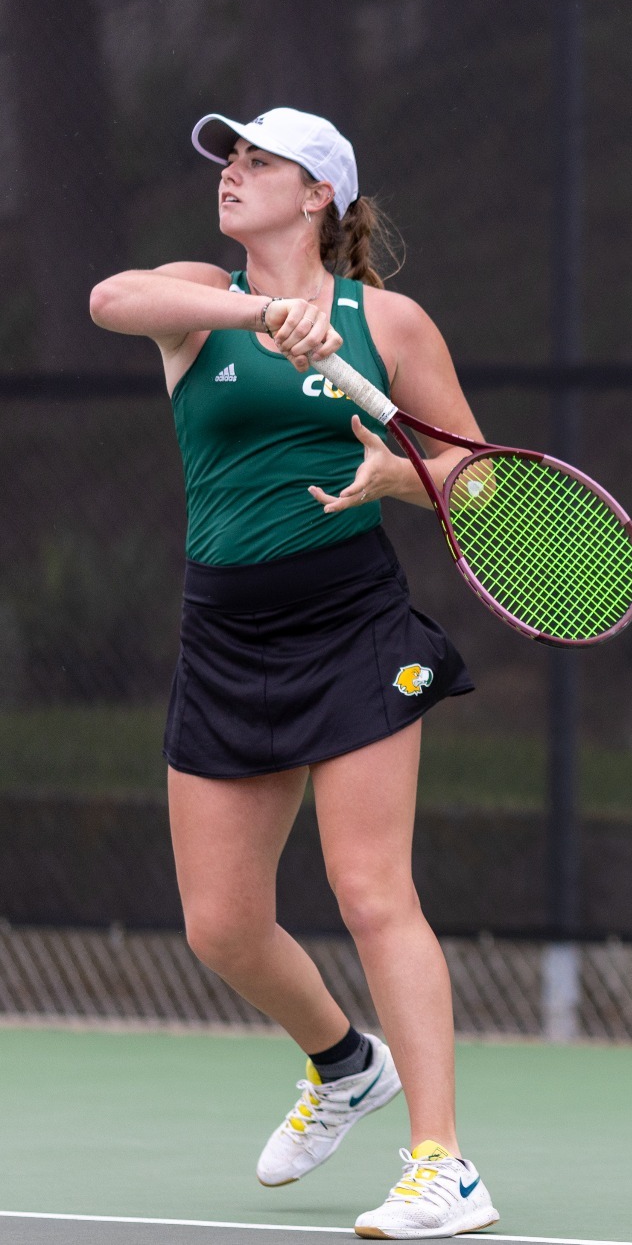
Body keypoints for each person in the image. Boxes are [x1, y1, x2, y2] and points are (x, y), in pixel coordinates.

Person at [88, 107, 499, 1240]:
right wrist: (262, 313)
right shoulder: (191, 300)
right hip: (224, 630)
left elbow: (474, 476)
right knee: (220, 927)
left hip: (350, 619)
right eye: (229, 158)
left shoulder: (392, 323)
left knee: (373, 892)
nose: (232, 173)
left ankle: (441, 1164)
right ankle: (340, 1062)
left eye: (258, 161)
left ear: (318, 194)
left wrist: (392, 480)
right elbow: (109, 300)